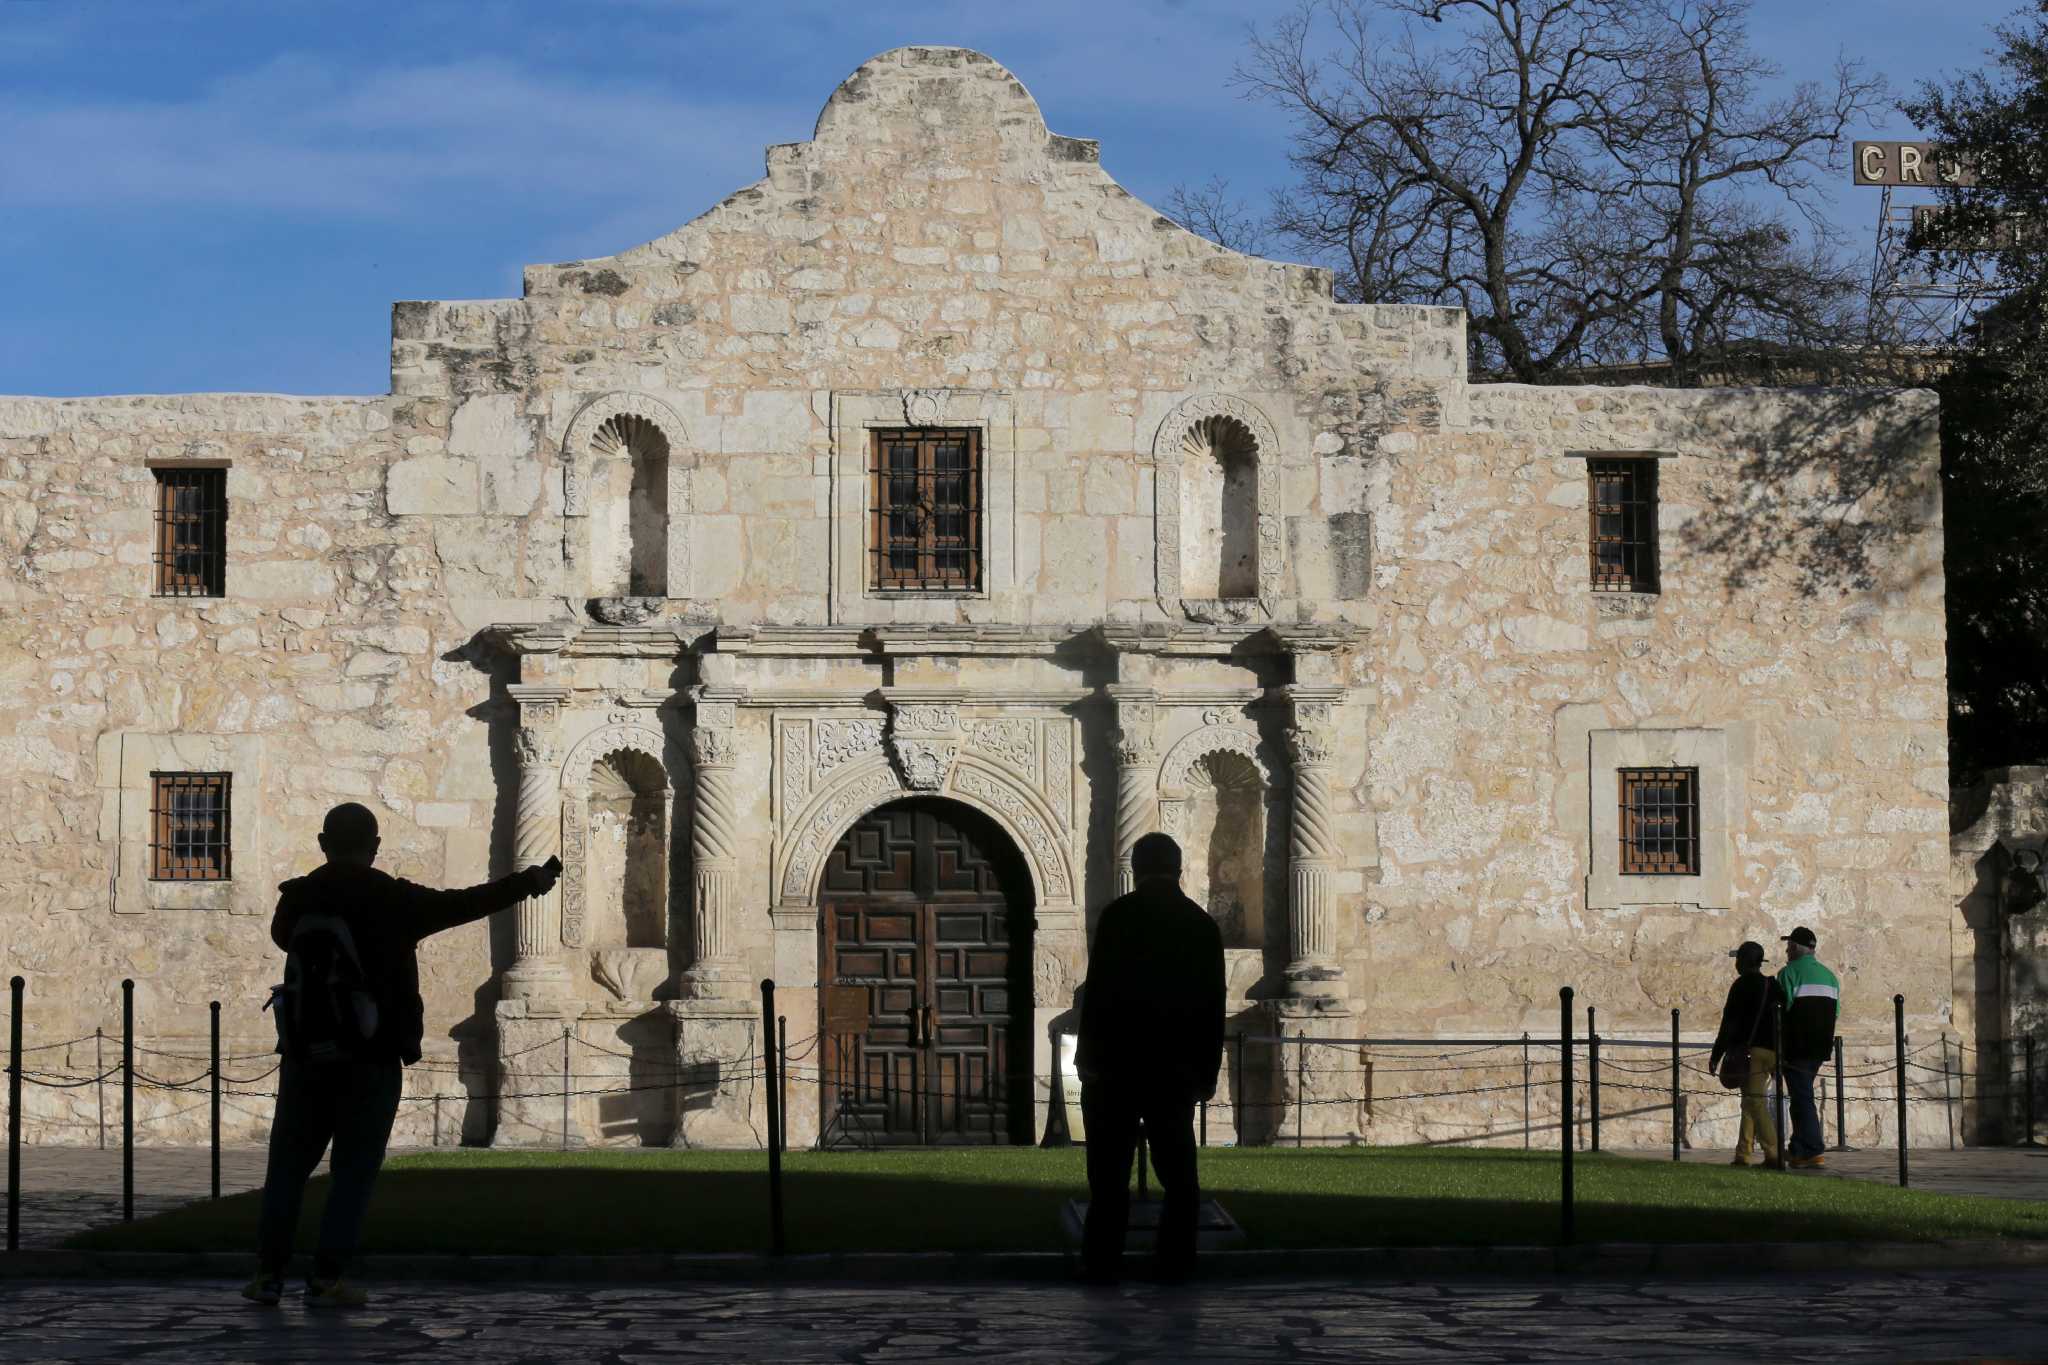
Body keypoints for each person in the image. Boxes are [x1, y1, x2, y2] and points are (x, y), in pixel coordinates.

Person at [243, 802, 558, 1307]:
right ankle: (326, 1280)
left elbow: (283, 939)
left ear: (324, 844)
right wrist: (528, 882)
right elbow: (467, 903)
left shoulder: (298, 898)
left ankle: (267, 1276)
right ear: (375, 848)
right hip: (371, 1055)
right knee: (353, 1172)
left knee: (287, 1169)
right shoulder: (393, 900)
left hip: (305, 1055)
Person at [1075, 832, 1226, 1285]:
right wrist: (1207, 1071)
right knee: (1179, 1173)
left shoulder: (1119, 917)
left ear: (1137, 869)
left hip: (1118, 1067)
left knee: (1109, 1176)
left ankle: (1103, 1261)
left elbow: (1099, 993)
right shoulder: (1199, 924)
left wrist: (1088, 1058)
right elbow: (1211, 1005)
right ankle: (1175, 1260)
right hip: (1174, 1067)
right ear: (1178, 869)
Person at [1708, 941, 1783, 1169]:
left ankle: (1773, 1153)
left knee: (1755, 1102)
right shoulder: (1772, 985)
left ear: (1742, 962)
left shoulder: (1741, 986)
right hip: (1775, 1049)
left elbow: (1729, 1024)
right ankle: (1743, 1153)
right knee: (1750, 1102)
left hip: (1753, 1052)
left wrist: (1717, 1053)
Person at [1774, 925, 1840, 1169]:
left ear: (1795, 947)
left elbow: (1780, 1012)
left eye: (1789, 946)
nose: (1787, 950)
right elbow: (1836, 1012)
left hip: (1796, 1046)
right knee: (1803, 1093)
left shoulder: (1788, 973)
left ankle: (1811, 1149)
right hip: (1820, 1047)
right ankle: (1799, 1148)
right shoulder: (1830, 976)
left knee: (1801, 1097)